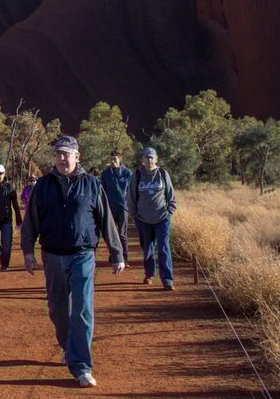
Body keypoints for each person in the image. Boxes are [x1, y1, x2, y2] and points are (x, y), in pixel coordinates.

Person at [20, 136, 124, 388]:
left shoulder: (91, 184)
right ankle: (69, 346)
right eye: (58, 154)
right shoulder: (42, 186)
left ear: (78, 157)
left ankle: (81, 365)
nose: (62, 158)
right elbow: (31, 219)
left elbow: (105, 218)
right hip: (53, 255)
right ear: (53, 158)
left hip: (83, 254)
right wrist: (28, 250)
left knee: (82, 309)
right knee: (58, 310)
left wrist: (116, 252)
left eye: (67, 154)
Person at [126, 146, 177, 290]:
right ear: (142, 160)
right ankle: (149, 274)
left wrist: (169, 211)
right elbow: (131, 198)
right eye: (146, 158)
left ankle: (167, 280)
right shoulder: (136, 176)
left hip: (162, 218)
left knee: (164, 248)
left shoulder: (162, 174)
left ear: (156, 159)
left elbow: (170, 194)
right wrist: (135, 215)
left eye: (151, 158)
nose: (149, 161)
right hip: (143, 220)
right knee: (147, 249)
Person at [99, 150, 133, 265]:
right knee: (111, 233)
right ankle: (113, 255)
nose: (113, 161)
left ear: (120, 159)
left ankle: (124, 257)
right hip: (109, 208)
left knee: (122, 234)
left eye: (115, 159)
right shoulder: (105, 174)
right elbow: (102, 190)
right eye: (111, 159)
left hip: (123, 207)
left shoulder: (127, 173)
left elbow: (131, 191)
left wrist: (130, 205)